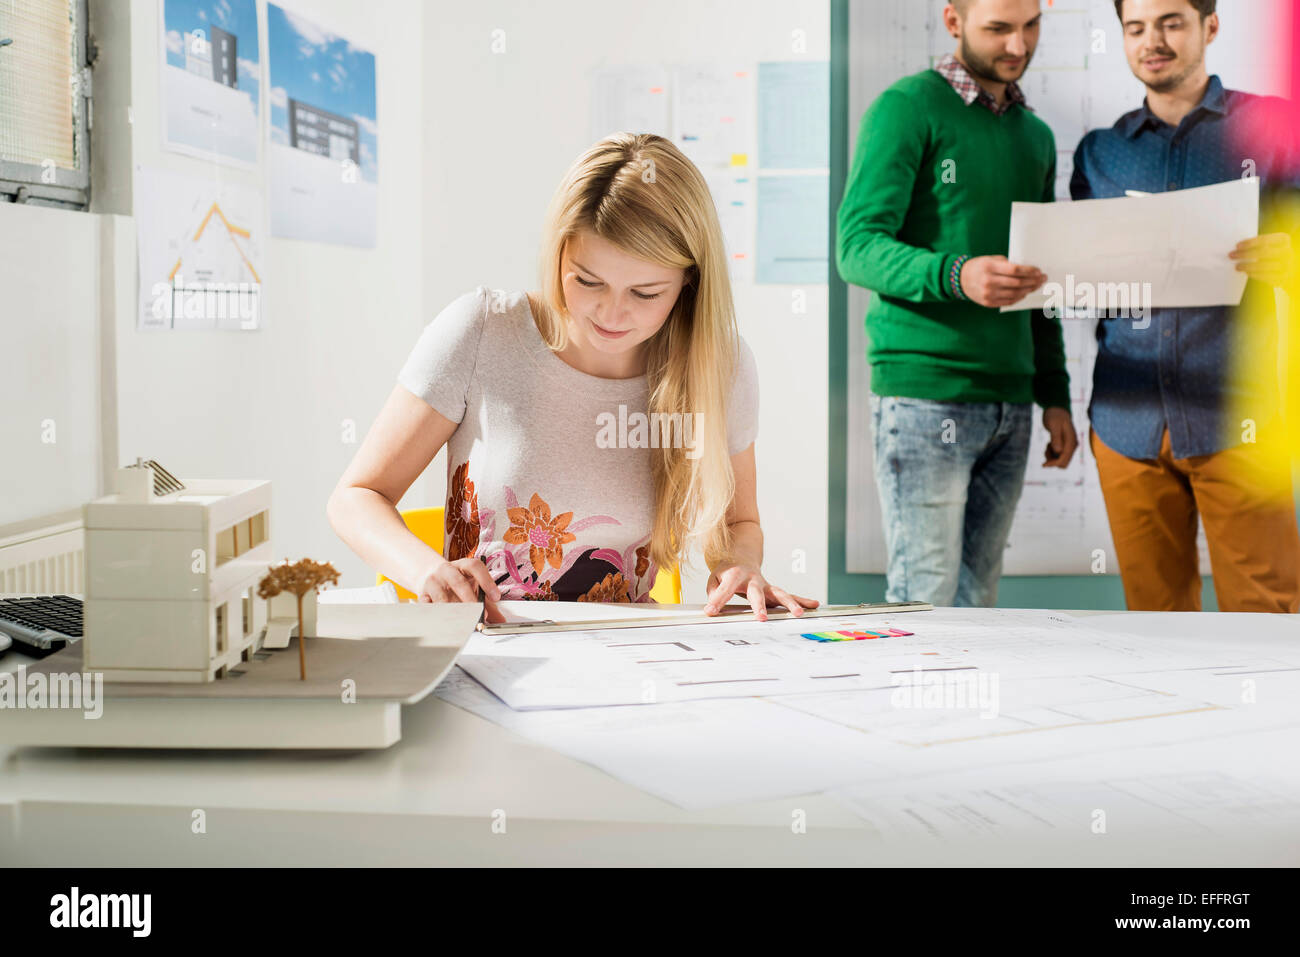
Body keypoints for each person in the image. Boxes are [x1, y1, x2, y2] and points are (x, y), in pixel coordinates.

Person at [327, 132, 818, 623]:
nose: (611, 312)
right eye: (587, 281)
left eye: (645, 293)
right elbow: (356, 497)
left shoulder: (719, 365)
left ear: (689, 282)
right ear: (558, 252)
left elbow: (739, 522)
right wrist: (424, 571)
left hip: (633, 656)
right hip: (490, 645)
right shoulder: (481, 331)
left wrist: (739, 565)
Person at [836, 0, 1077, 607]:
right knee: (925, 600)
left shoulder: (1036, 136)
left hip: (1012, 405)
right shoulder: (906, 107)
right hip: (924, 396)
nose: (1018, 46)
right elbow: (856, 247)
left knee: (977, 602)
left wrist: (1055, 396)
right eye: (998, 28)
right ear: (953, 22)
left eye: (1030, 26)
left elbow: (1038, 282)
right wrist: (956, 274)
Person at [1071, 0, 1300, 612]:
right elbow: (1085, 282)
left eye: (1171, 21)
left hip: (1240, 422)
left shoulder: (1275, 127)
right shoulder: (1099, 153)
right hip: (1126, 428)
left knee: (1268, 622)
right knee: (1156, 630)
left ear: (1211, 27)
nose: (1153, 40)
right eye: (1136, 27)